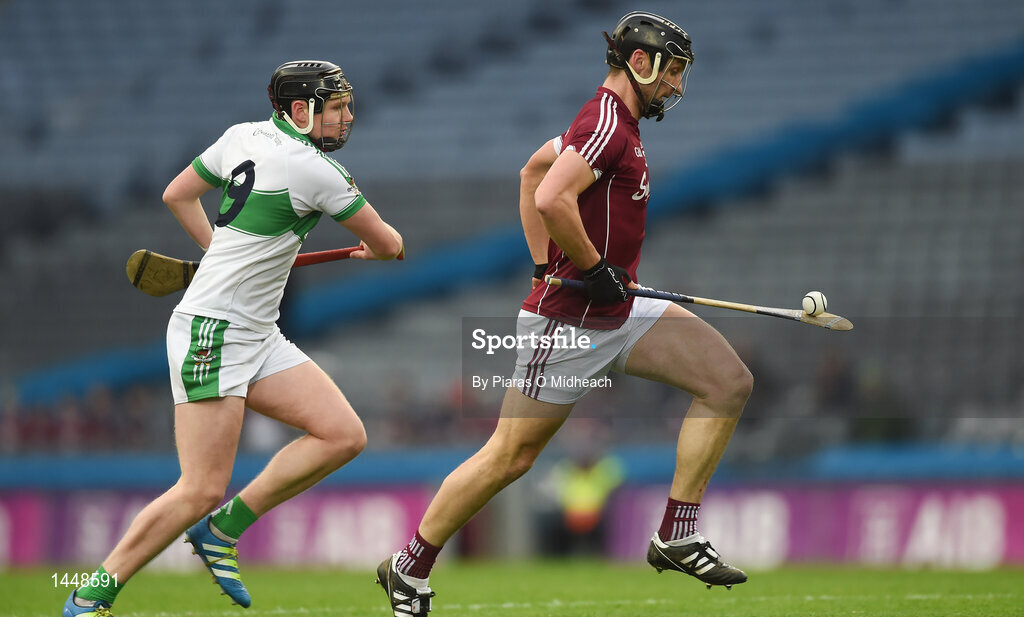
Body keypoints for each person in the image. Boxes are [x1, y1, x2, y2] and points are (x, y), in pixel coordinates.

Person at [376, 12, 751, 616]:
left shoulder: (611, 122)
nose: (678, 86)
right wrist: (588, 268)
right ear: (642, 62)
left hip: (618, 308)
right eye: (674, 70)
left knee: (728, 382)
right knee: (510, 456)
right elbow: (549, 195)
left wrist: (548, 265)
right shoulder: (606, 123)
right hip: (569, 323)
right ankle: (409, 567)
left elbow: (532, 171)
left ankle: (677, 532)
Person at [62, 60, 404, 617]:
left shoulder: (241, 135)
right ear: (301, 110)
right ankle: (91, 594)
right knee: (198, 488)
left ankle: (221, 532)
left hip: (256, 332)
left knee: (342, 434)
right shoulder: (315, 169)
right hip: (214, 333)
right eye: (336, 107)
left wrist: (214, 249)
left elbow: (178, 194)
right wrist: (384, 247)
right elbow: (387, 245)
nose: (346, 118)